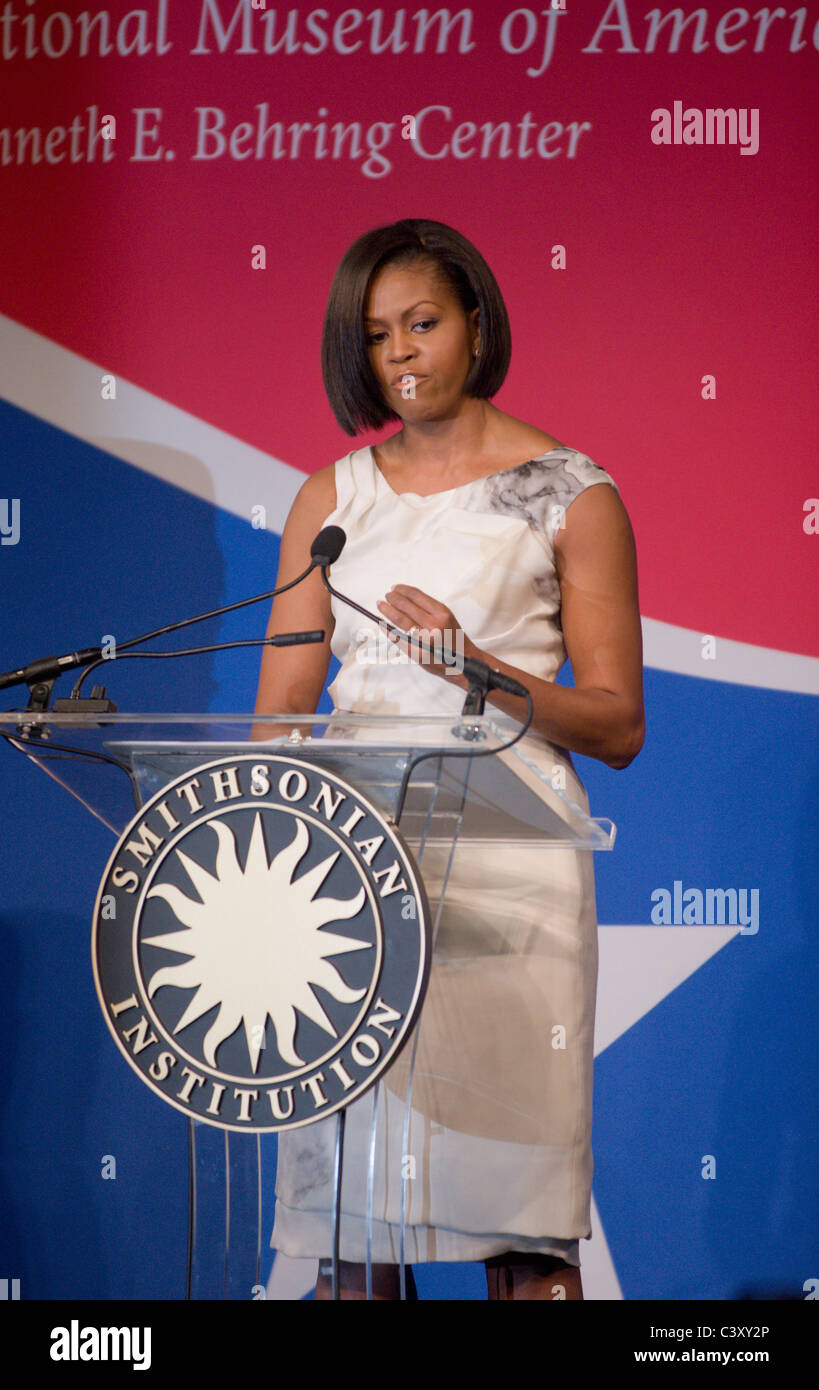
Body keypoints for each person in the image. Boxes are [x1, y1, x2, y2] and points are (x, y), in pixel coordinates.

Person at [254, 218, 645, 1300]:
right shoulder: (332, 504)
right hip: (354, 881)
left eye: (423, 323)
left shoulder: (570, 492)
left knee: (523, 1239)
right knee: (353, 1235)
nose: (403, 354)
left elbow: (617, 724)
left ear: (477, 323)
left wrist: (478, 668)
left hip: (510, 874)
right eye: (377, 335)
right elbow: (283, 717)